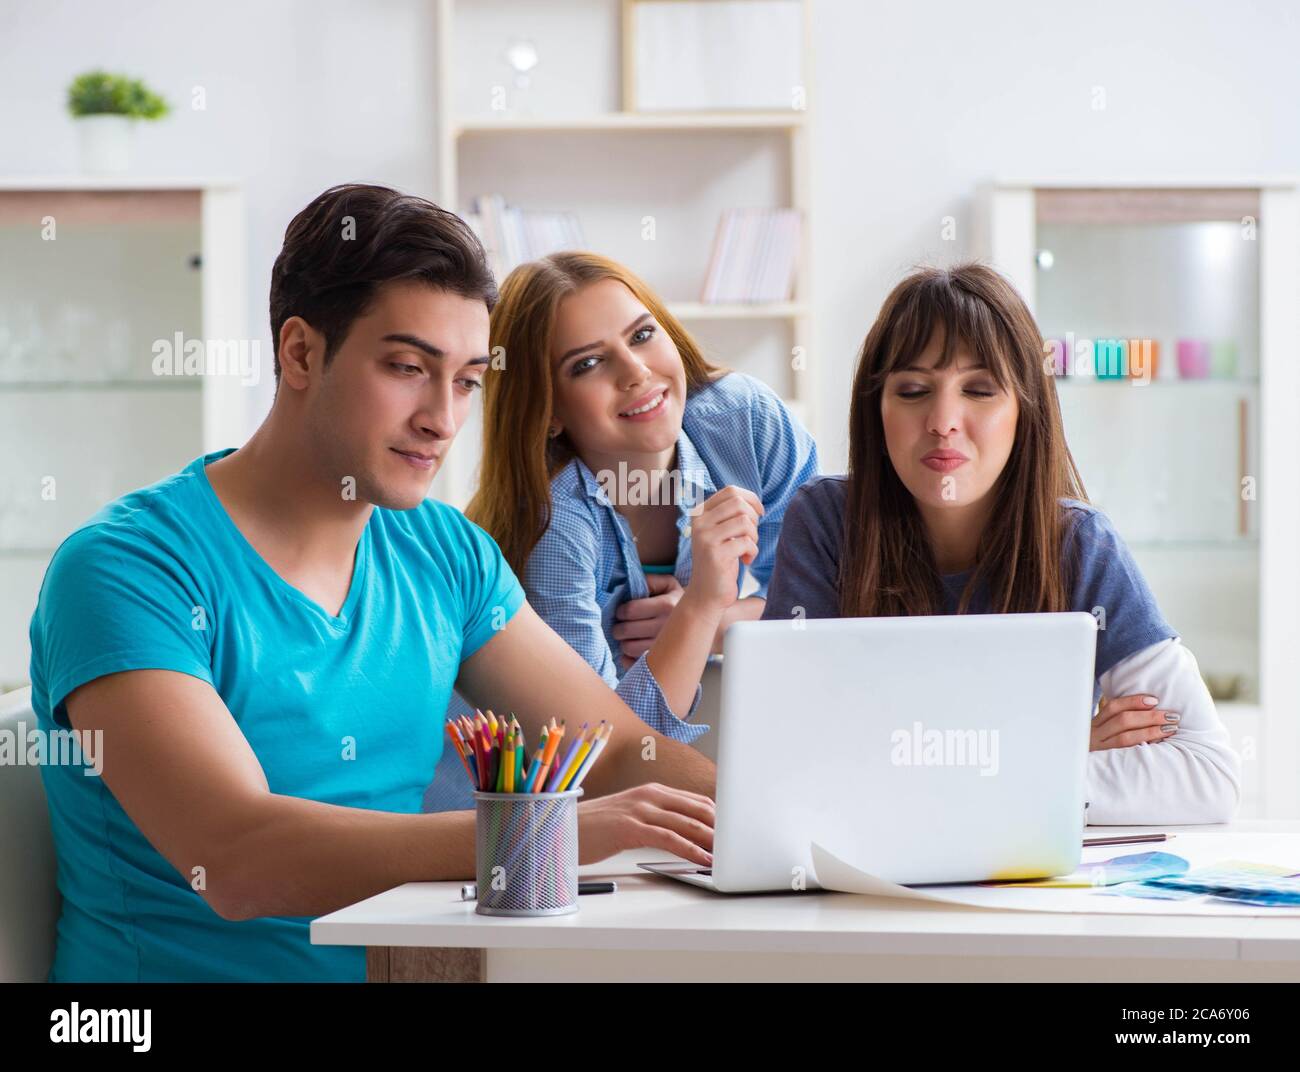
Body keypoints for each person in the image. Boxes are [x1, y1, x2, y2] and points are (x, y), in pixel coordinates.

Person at [27, 185, 716, 983]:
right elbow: (237, 858)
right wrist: (552, 832)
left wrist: (767, 814)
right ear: (298, 353)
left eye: (465, 381)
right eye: (407, 368)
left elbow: (617, 754)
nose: (442, 418)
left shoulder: (443, 551)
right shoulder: (126, 570)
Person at [761, 263, 1240, 824]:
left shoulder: (1079, 545)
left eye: (980, 390)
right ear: (877, 411)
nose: (943, 421)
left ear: (1024, 410)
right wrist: (1048, 755)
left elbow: (1208, 775)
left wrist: (933, 773)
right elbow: (786, 765)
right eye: (912, 391)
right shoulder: (824, 523)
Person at [465, 252, 818, 743]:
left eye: (642, 335)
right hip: (517, 803)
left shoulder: (744, 420)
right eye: (587, 363)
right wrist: (698, 609)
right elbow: (602, 757)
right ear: (547, 410)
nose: (635, 373)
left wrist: (714, 622)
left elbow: (830, 595)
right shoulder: (555, 525)